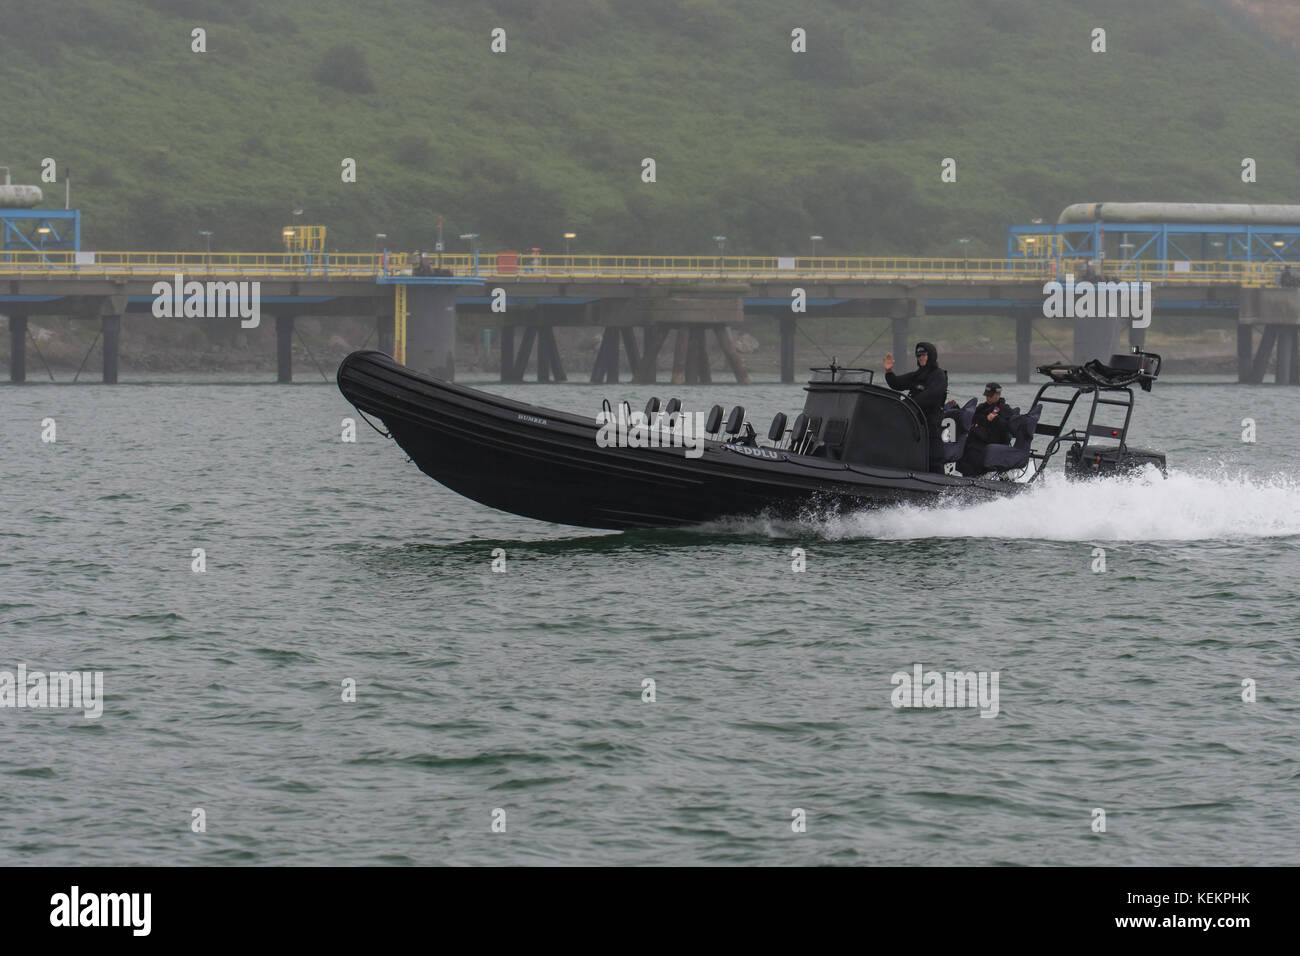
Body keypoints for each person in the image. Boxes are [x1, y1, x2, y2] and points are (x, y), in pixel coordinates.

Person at [884, 342, 948, 473]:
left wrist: (909, 403)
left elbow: (932, 394)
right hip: (915, 422)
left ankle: (941, 487)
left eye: (924, 355)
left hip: (931, 423)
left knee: (934, 458)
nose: (921, 358)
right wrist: (889, 371)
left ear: (931, 356)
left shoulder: (939, 375)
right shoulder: (916, 375)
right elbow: (897, 384)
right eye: (918, 356)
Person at [957, 382, 1012, 477]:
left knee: (972, 456)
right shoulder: (981, 407)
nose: (988, 398)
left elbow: (1007, 427)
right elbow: (971, 418)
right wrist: (957, 408)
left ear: (998, 395)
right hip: (975, 441)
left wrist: (995, 419)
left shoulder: (1004, 409)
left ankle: (972, 481)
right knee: (962, 451)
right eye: (987, 396)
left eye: (990, 396)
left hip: (990, 443)